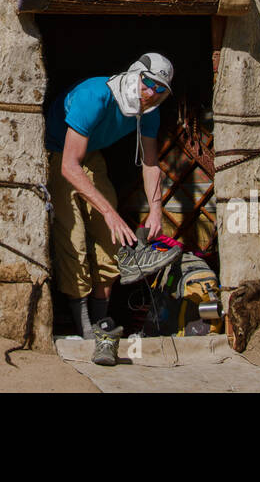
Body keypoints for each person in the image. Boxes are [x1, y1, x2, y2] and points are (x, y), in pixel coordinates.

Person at [44, 52, 175, 353]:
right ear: (135, 75)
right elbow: (69, 166)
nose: (152, 93)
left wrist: (156, 211)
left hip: (91, 155)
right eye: (149, 83)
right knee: (73, 240)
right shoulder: (95, 96)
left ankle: (102, 321)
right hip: (59, 153)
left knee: (109, 240)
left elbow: (151, 163)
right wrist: (109, 212)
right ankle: (83, 326)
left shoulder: (150, 110)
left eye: (161, 89)